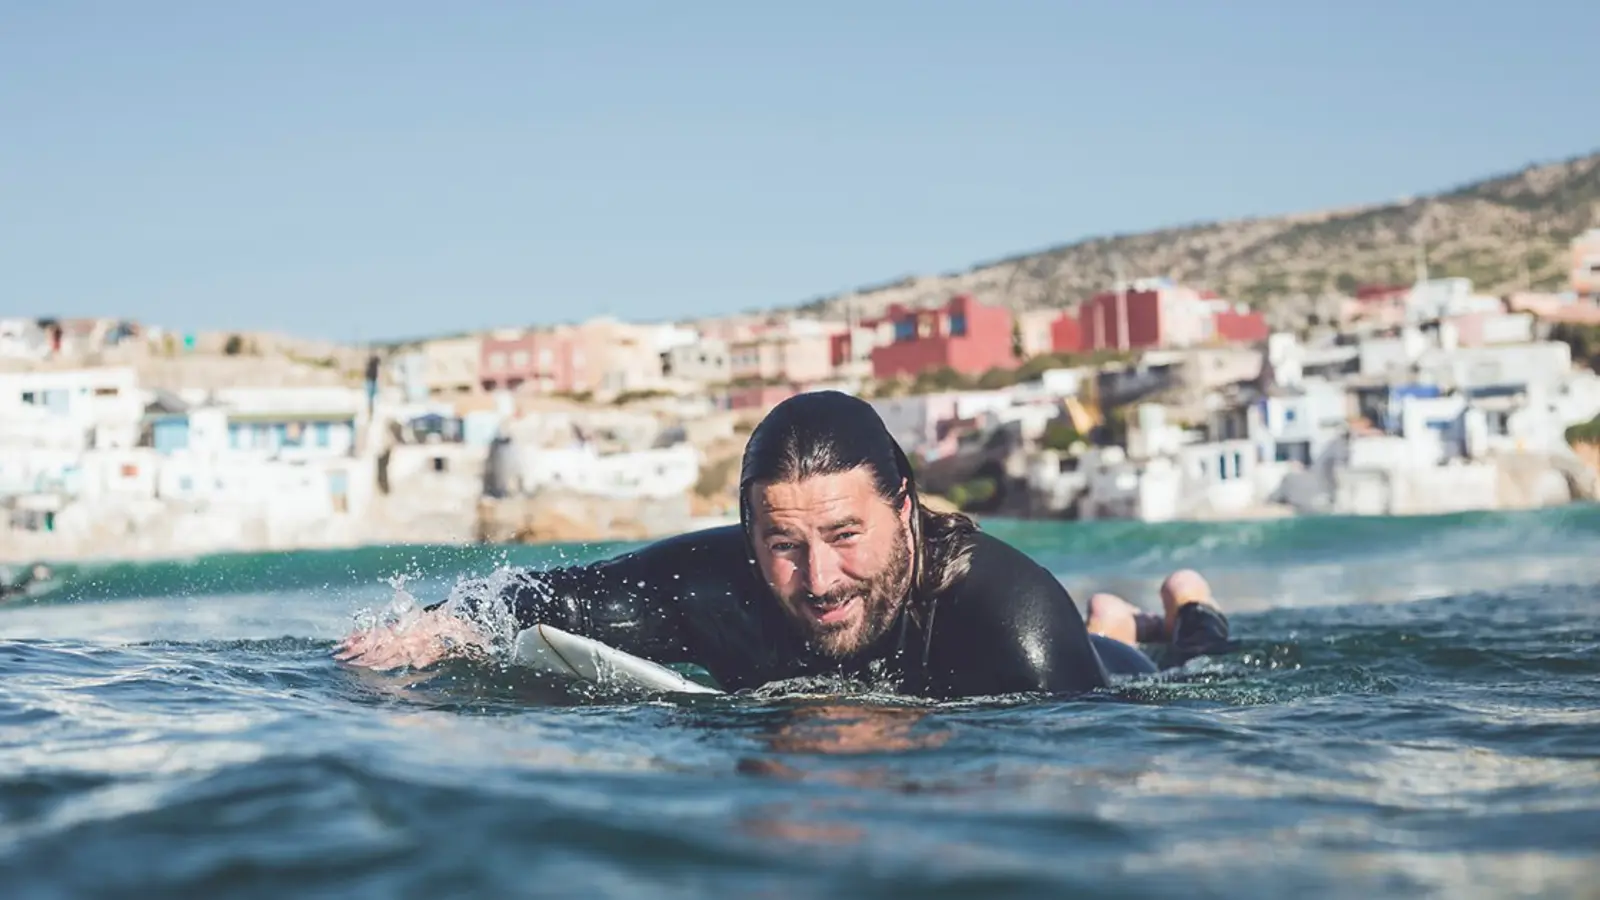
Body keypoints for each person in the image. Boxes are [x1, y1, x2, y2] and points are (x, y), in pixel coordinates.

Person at [336, 391, 1232, 698]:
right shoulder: (713, 581)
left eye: (846, 536)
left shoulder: (1013, 620)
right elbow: (543, 593)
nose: (819, 580)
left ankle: (1177, 603)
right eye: (783, 545)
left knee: (1185, 660)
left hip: (1111, 677)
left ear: (905, 509)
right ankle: (1114, 611)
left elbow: (1093, 785)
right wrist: (438, 628)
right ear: (747, 531)